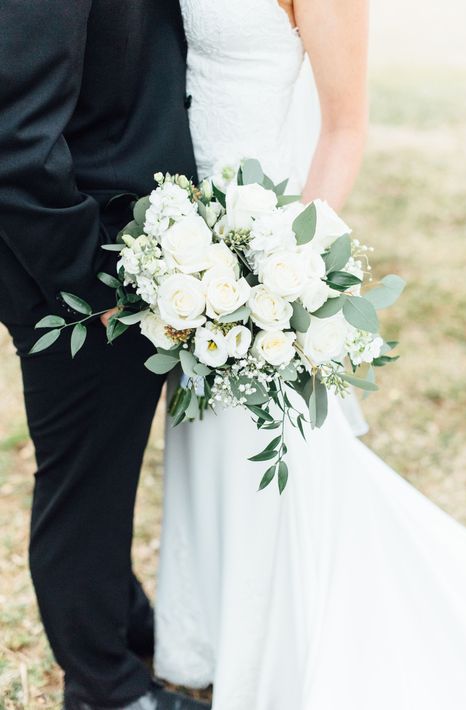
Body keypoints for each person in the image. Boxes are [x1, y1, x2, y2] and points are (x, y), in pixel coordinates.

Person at [155, 1, 466, 708]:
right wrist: (184, 249)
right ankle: (214, 637)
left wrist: (281, 265)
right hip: (185, 241)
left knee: (267, 452)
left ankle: (282, 655)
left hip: (266, 248)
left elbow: (344, 130)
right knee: (205, 443)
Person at [0, 2, 208, 709]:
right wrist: (88, 281)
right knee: (82, 483)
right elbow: (17, 141)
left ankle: (127, 625)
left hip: (123, 248)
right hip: (80, 272)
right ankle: (105, 689)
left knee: (102, 464)